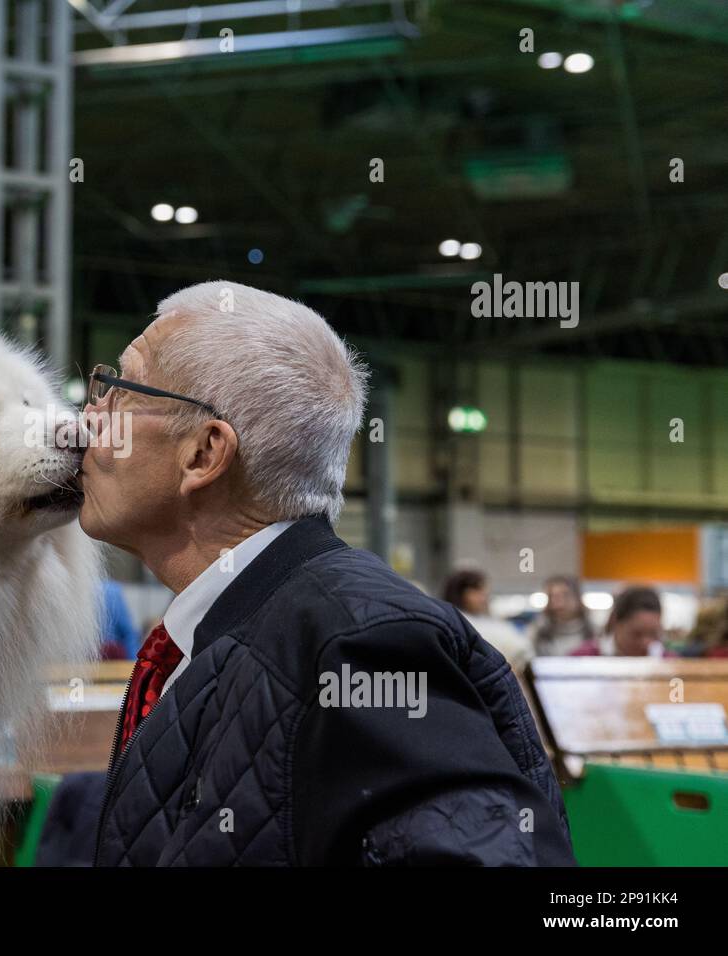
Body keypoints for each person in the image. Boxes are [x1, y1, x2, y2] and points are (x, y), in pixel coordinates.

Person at [78, 280, 574, 866]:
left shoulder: (362, 640)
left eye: (118, 392)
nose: (88, 418)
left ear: (204, 454)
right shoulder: (237, 631)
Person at [441, 569, 534, 673]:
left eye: (484, 591)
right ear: (461, 593)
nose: (484, 597)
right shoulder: (456, 624)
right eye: (477, 591)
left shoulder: (493, 621)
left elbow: (522, 653)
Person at [572, 586, 671, 657]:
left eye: (653, 634)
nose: (646, 643)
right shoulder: (583, 658)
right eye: (636, 634)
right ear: (615, 622)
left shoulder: (671, 662)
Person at [532, 575, 593, 656]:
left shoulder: (595, 632)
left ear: (577, 597)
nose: (558, 604)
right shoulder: (539, 633)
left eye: (565, 595)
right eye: (552, 597)